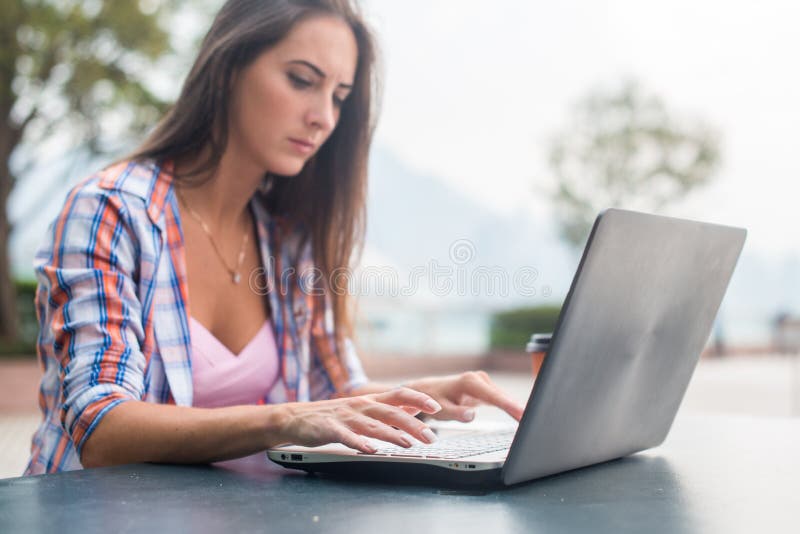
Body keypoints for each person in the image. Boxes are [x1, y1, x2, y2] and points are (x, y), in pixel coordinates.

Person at [25, 0, 524, 476]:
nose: (324, 117)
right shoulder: (110, 212)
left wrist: (419, 398)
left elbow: (334, 392)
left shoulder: (289, 240)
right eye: (302, 80)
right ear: (228, 69)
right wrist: (281, 419)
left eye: (339, 97)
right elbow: (101, 428)